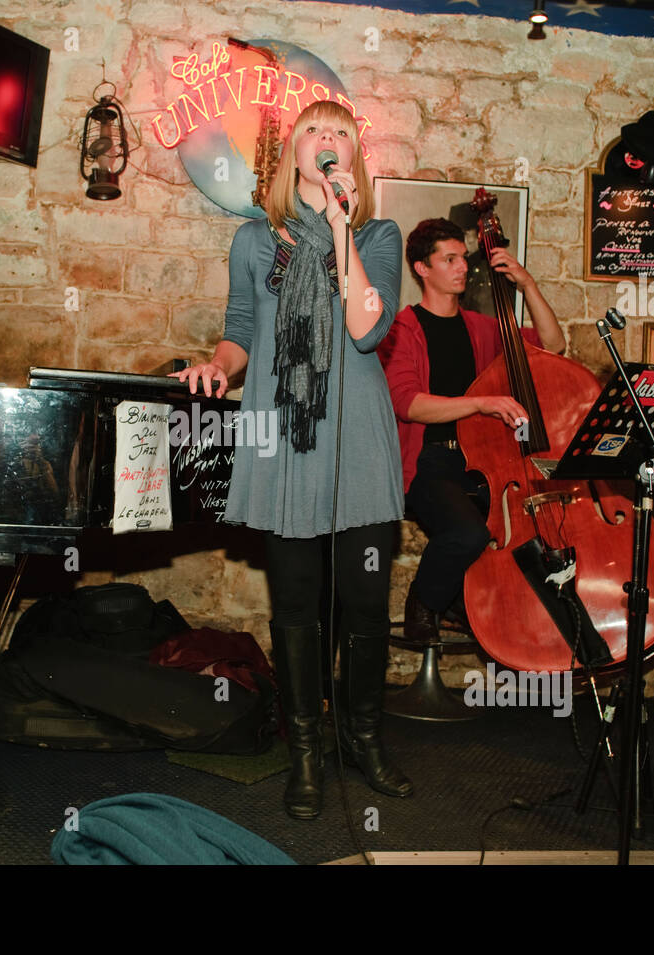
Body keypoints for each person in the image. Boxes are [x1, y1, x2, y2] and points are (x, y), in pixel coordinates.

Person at [174, 100, 408, 819]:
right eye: (314, 130)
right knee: (297, 605)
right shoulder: (253, 240)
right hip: (281, 434)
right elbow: (241, 329)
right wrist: (219, 365)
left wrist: (341, 232)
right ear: (293, 155)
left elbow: (367, 329)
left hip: (358, 440)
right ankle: (306, 751)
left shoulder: (377, 234)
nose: (327, 140)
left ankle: (362, 739)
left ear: (352, 159)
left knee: (365, 605)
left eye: (340, 132)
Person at [377, 218, 565, 640]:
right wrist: (480, 403)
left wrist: (527, 284)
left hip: (481, 463)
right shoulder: (401, 330)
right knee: (468, 533)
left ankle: (464, 605)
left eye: (463, 257)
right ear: (422, 269)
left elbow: (553, 346)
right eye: (450, 259)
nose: (463, 267)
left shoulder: (482, 328)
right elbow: (410, 405)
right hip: (426, 463)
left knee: (521, 536)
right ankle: (425, 602)